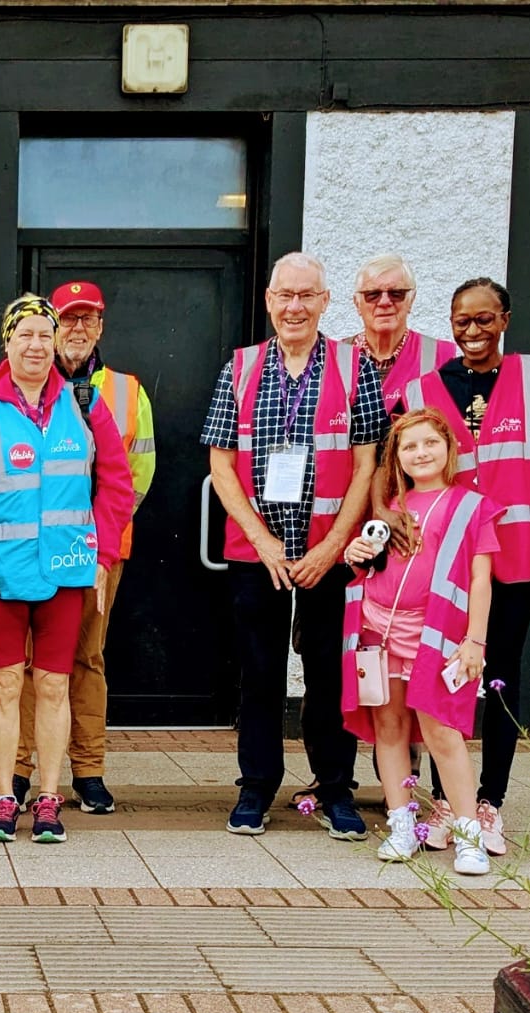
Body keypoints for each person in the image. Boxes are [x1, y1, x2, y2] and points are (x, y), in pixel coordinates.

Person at [202, 251, 390, 839]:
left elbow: (368, 465)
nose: (295, 306)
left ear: (326, 301)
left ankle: (336, 790)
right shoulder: (240, 367)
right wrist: (262, 543)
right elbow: (221, 462)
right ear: (268, 300)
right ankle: (256, 788)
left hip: (328, 557)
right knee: (258, 675)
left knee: (330, 676)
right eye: (285, 295)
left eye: (307, 295)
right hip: (258, 555)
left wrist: (332, 547)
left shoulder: (354, 367)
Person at [0, 294, 134, 843]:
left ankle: (49, 798)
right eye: (24, 334)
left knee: (53, 686)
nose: (36, 344)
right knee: (3, 686)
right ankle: (4, 797)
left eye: (45, 334)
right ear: (7, 342)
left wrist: (103, 555)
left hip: (67, 573)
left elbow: (116, 485)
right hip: (0, 576)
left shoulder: (86, 404)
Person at [390, 278, 530, 857]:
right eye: (462, 320)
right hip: (445, 562)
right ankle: (442, 800)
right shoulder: (422, 389)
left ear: (504, 318)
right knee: (440, 681)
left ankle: (489, 803)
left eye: (485, 319)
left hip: (520, 553)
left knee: (500, 677)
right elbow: (396, 466)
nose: (473, 330)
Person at [14, 280, 157, 813]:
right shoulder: (24, 387)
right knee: (29, 662)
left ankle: (88, 771)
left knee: (86, 658)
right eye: (67, 320)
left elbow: (138, 473)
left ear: (100, 326)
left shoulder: (126, 390)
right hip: (30, 550)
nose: (77, 329)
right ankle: (22, 769)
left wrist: (98, 535)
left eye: (87, 319)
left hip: (101, 551)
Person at [340, 409, 498, 876]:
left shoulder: (471, 506)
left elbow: (481, 579)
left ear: (449, 448)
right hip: (378, 631)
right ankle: (402, 825)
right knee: (389, 729)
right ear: (397, 457)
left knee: (441, 733)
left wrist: (475, 641)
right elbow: (370, 567)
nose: (420, 453)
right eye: (409, 447)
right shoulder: (388, 509)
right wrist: (355, 553)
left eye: (430, 442)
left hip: (436, 639)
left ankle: (469, 836)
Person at [350, 254, 461, 404]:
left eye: (396, 294)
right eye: (372, 294)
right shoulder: (334, 359)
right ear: (357, 303)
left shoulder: (442, 357)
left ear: (411, 300)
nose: (384, 302)